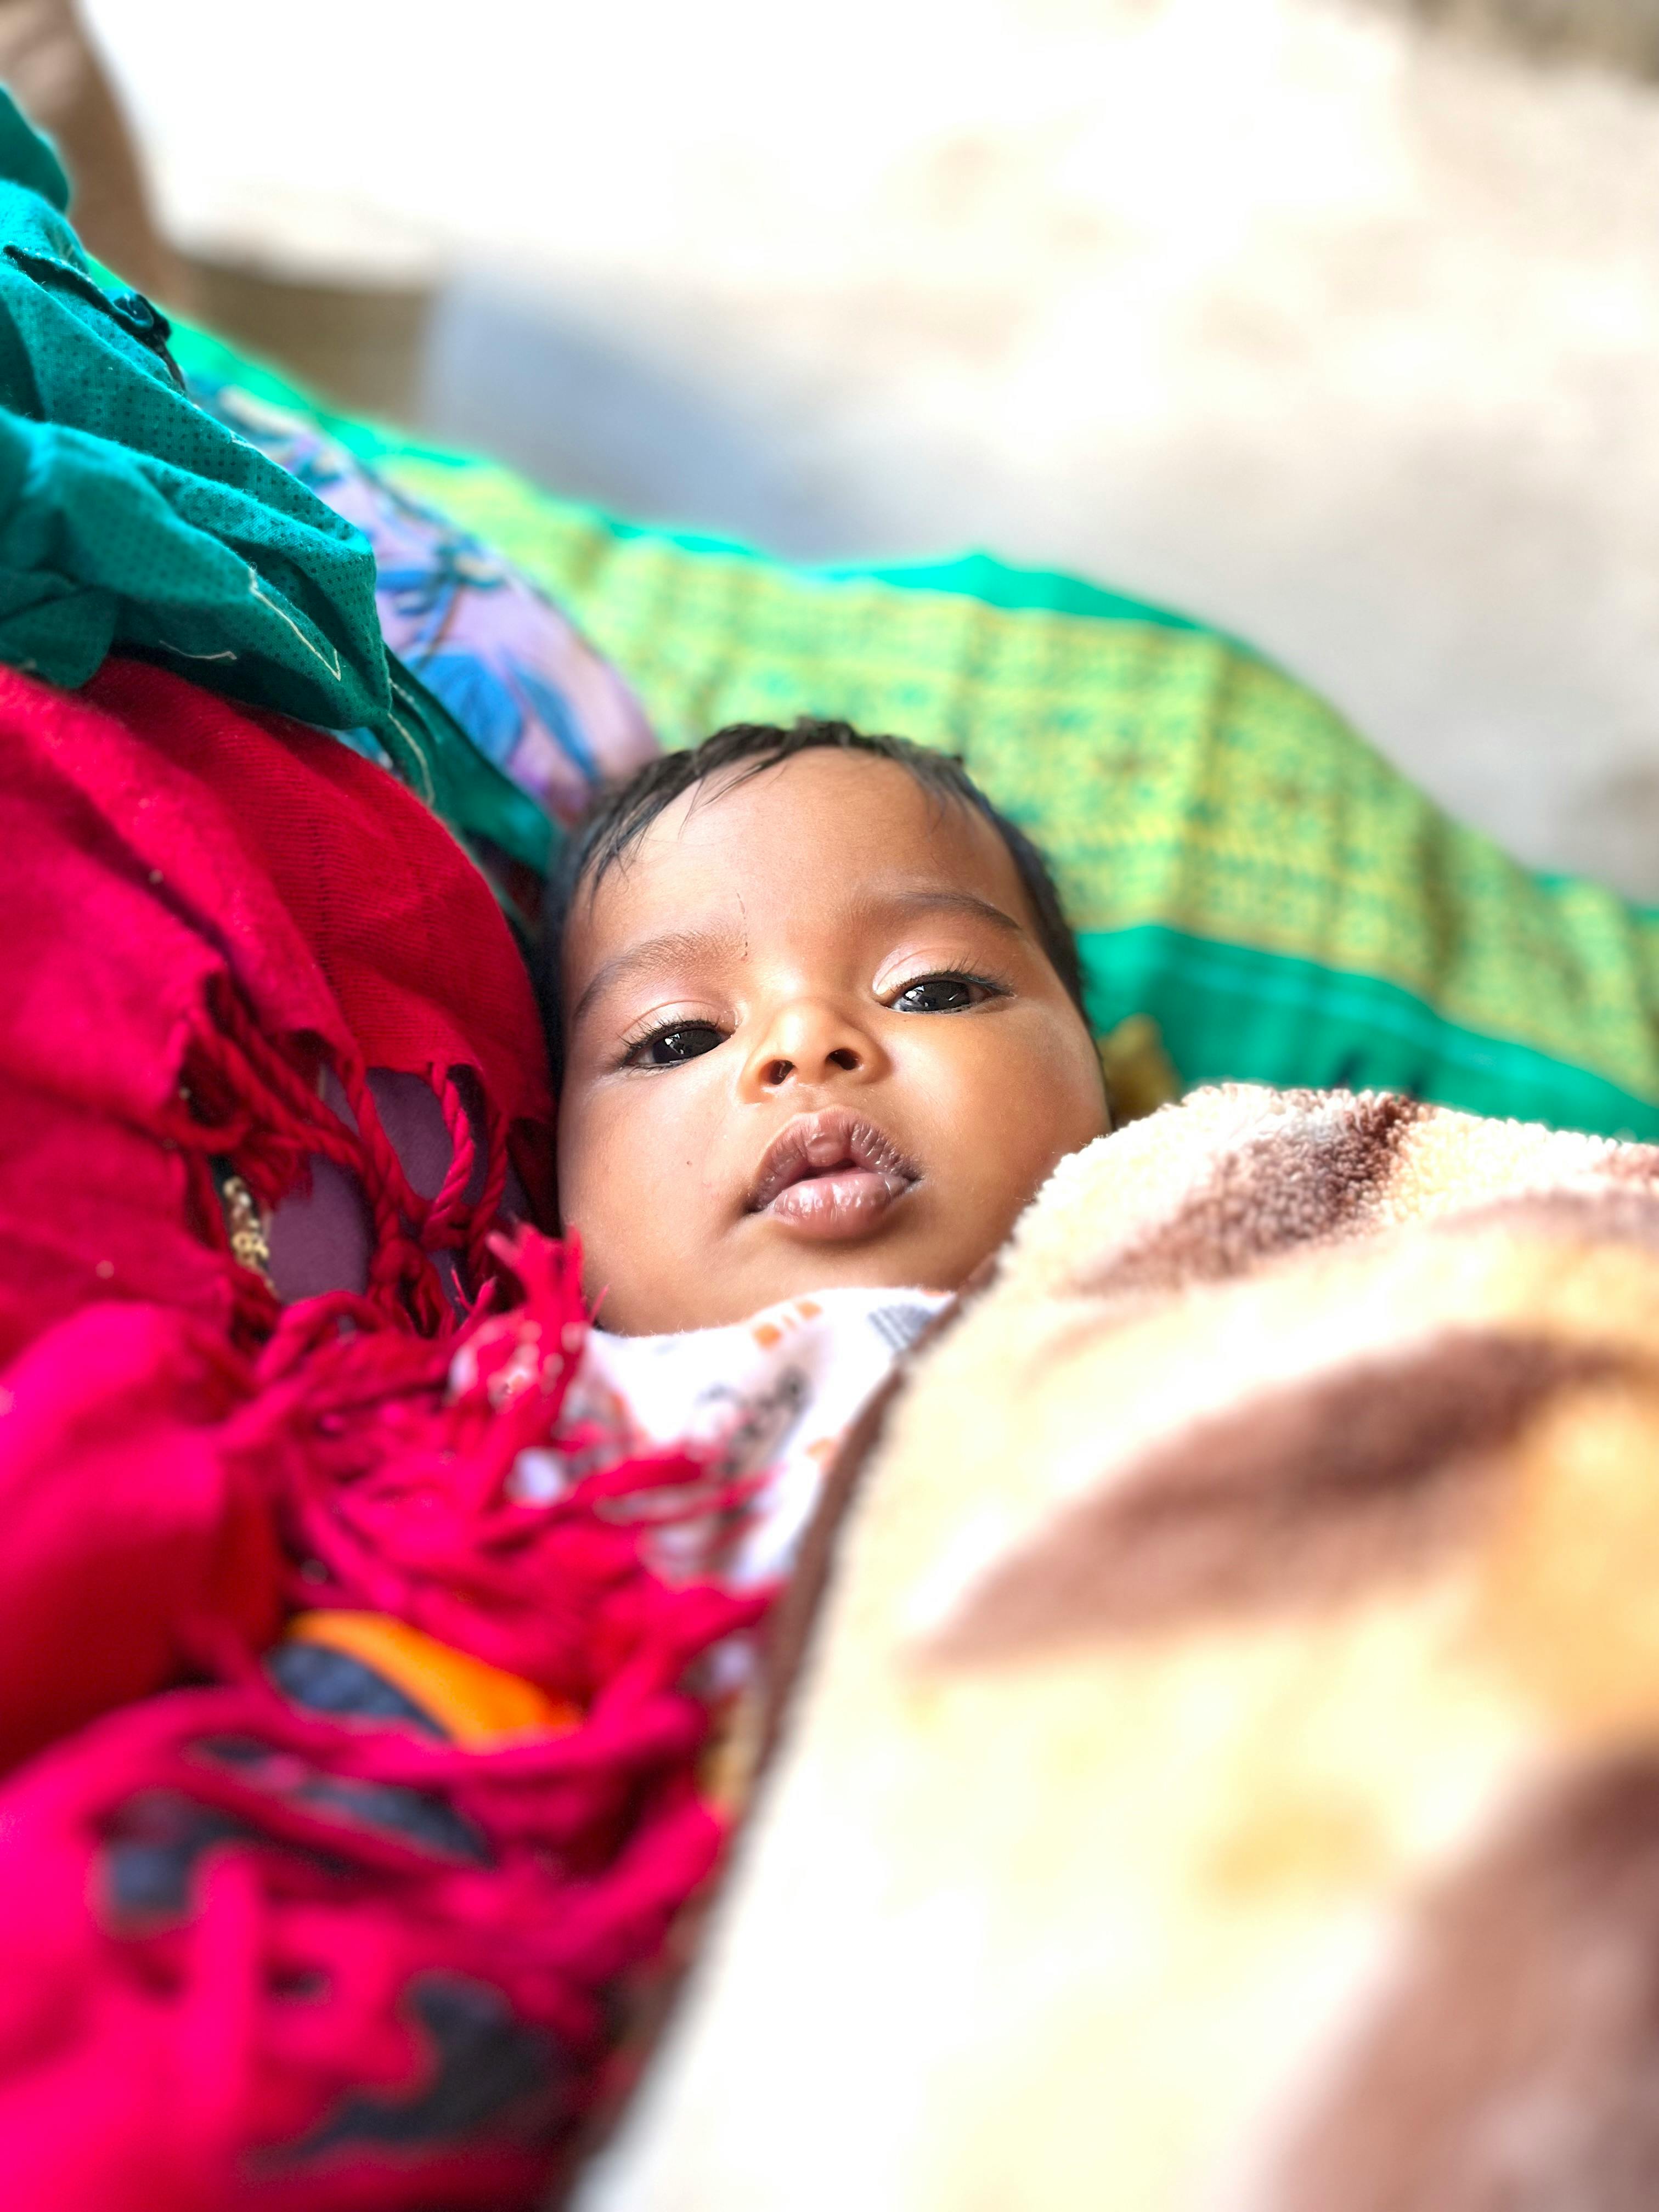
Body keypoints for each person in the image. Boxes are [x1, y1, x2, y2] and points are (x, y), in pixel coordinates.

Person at [540, 719, 1113, 1581]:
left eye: (932, 988)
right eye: (677, 1039)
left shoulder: (1243, 1252)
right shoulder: (536, 1430)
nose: (805, 1043)